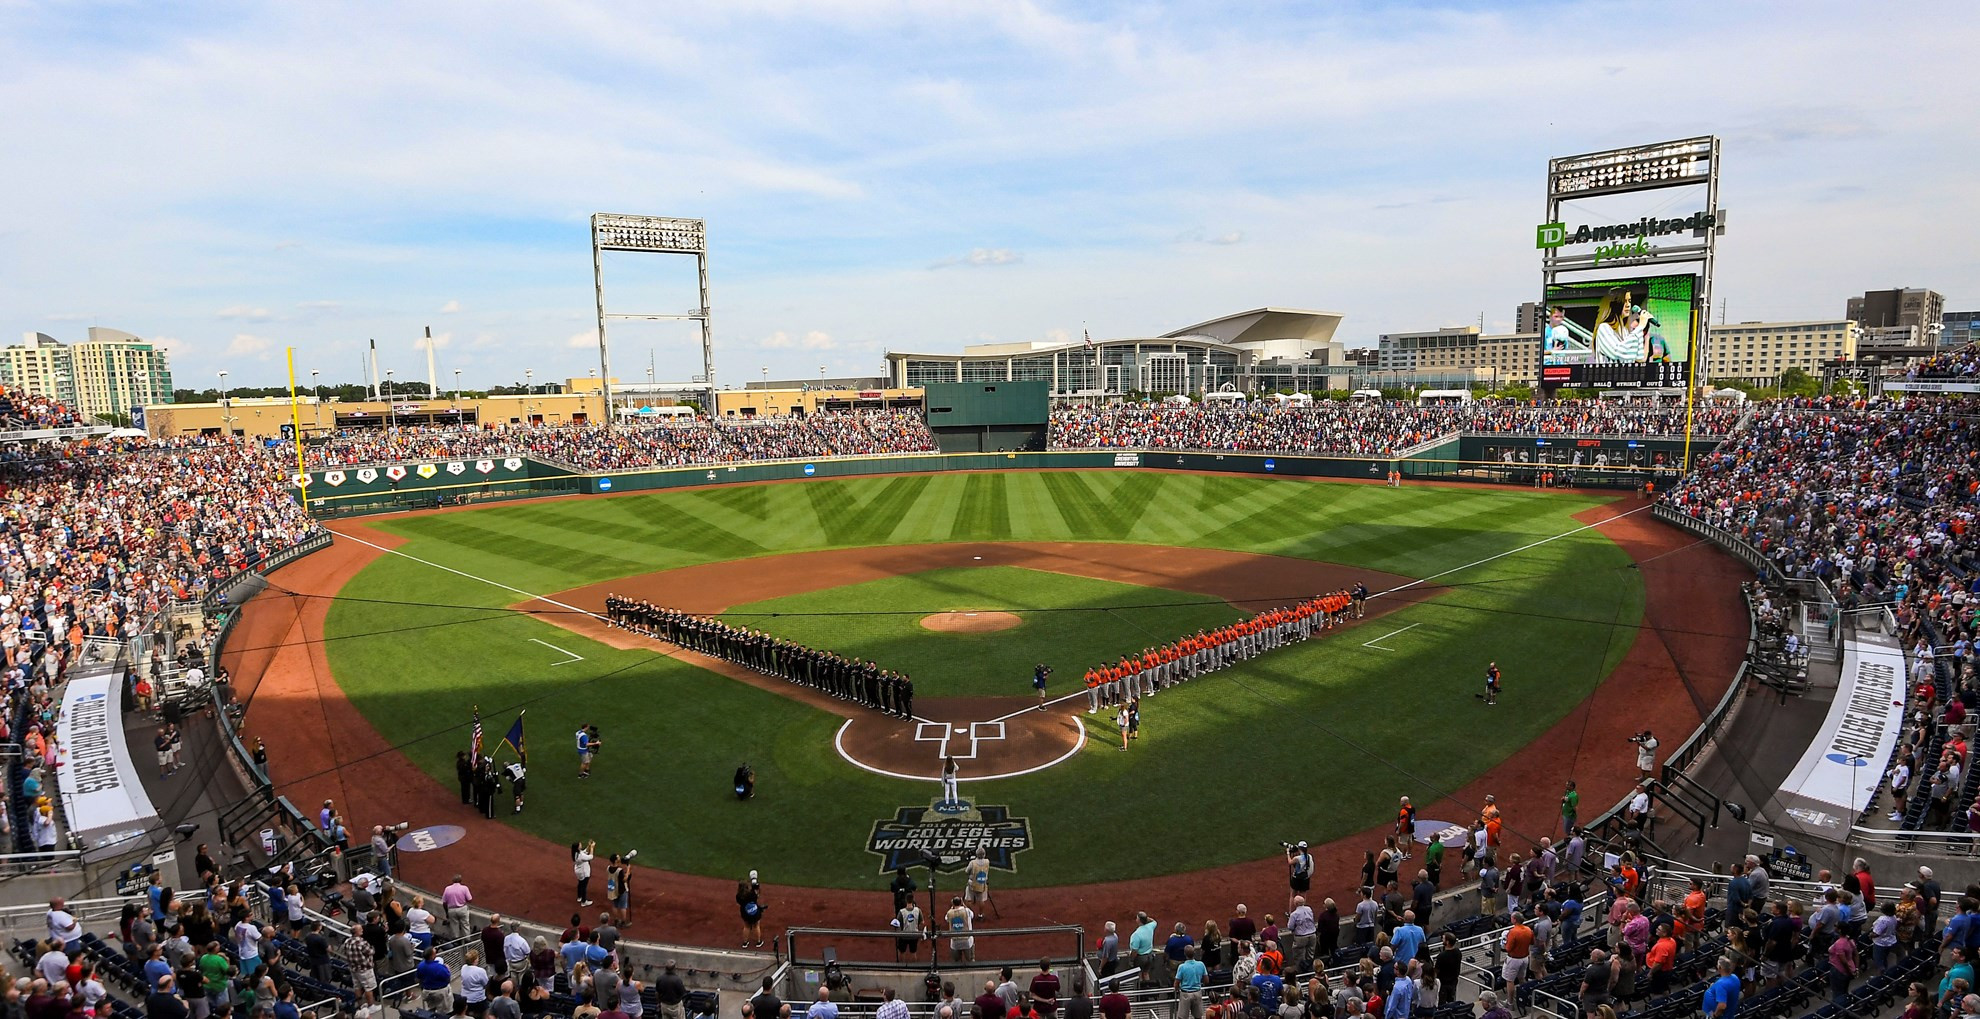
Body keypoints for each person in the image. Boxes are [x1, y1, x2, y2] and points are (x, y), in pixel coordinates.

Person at [968, 847, 997, 919]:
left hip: (972, 883)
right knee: (981, 900)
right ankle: (980, 915)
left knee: (969, 899)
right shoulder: (987, 861)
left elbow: (966, 871)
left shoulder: (972, 862)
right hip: (982, 883)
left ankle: (970, 915)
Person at [738, 872, 766, 948]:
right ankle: (758, 942)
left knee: (746, 926)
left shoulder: (738, 896)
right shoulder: (751, 894)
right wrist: (755, 885)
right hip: (754, 912)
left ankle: (745, 943)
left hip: (745, 912)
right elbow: (757, 894)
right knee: (756, 925)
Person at [1286, 842, 1313, 913]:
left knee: (1292, 895)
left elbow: (1290, 862)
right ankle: (1303, 911)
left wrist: (1288, 853)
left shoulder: (1297, 858)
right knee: (1303, 896)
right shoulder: (1309, 856)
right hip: (1305, 879)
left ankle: (1290, 913)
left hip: (1296, 879)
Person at [573, 840, 596, 906]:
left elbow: (584, 852)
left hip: (578, 871)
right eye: (580, 845)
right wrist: (592, 848)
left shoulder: (576, 853)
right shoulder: (580, 856)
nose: (581, 845)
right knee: (584, 886)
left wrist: (588, 846)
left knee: (580, 883)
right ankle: (584, 901)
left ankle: (579, 897)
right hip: (583, 872)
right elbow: (590, 857)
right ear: (578, 847)